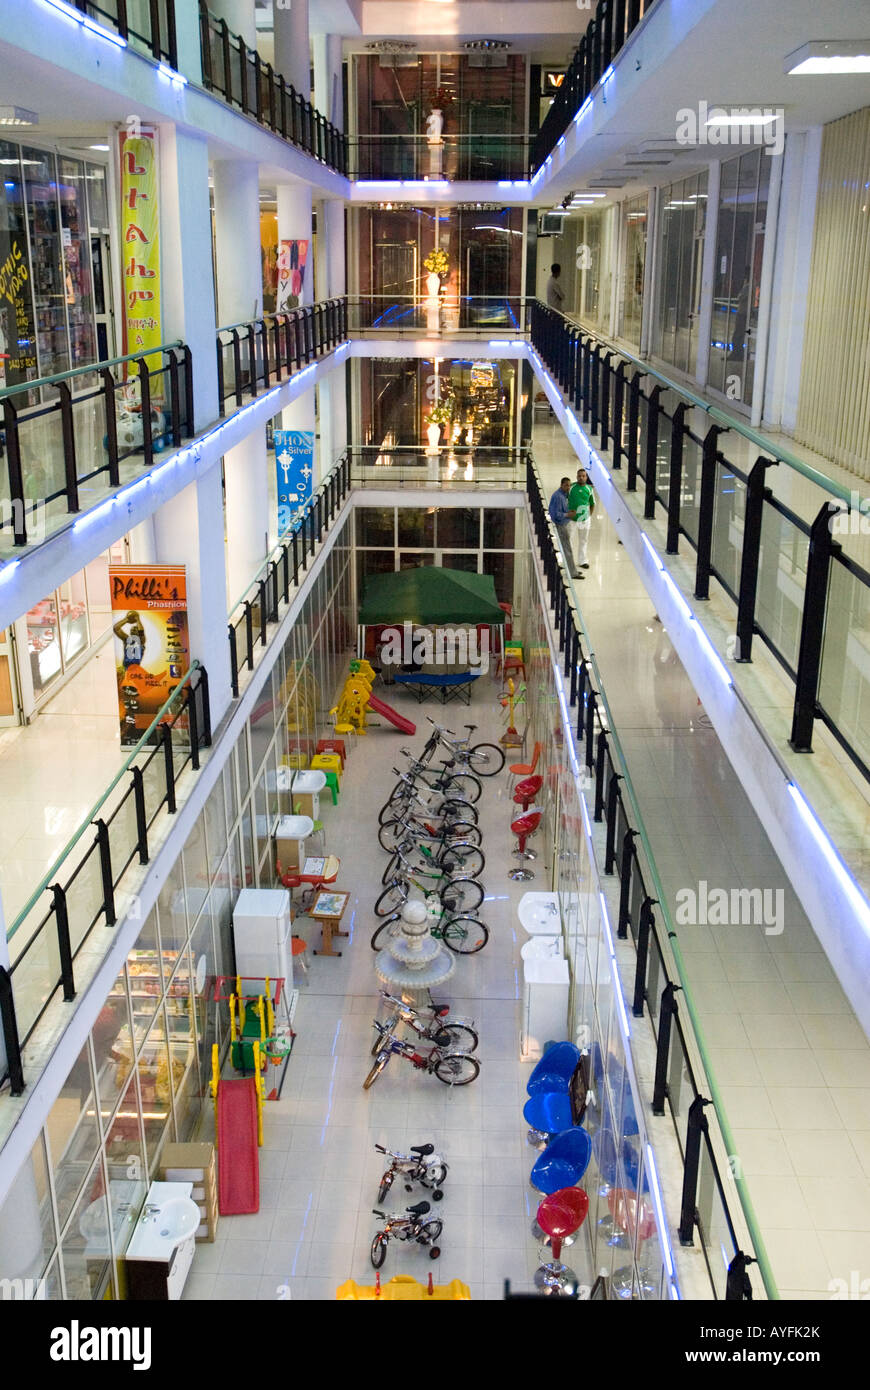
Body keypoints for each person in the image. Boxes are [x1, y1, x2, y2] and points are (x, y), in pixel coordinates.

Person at [548, 477, 582, 578]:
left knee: (568, 548)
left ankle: (571, 570)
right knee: (567, 549)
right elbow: (556, 514)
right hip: (561, 525)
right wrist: (568, 515)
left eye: (569, 485)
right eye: (566, 485)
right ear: (561, 485)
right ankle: (572, 573)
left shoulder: (564, 495)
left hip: (564, 523)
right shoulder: (558, 497)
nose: (568, 487)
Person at [568, 466, 595, 569]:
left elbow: (592, 503)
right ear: (576, 477)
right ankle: (569, 561)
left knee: (583, 540)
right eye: (579, 476)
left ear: (586, 477)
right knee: (569, 540)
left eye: (583, 476)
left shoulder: (589, 489)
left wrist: (589, 516)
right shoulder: (571, 488)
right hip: (572, 520)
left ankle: (583, 560)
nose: (581, 478)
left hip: (584, 519)